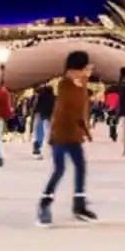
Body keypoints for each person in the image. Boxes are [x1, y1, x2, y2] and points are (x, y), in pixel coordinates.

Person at [37, 50, 96, 226]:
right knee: (60, 169)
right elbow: (74, 106)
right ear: (72, 70)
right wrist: (83, 80)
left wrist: (84, 79)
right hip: (61, 135)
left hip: (73, 135)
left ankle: (79, 204)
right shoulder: (65, 86)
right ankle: (44, 204)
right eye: (81, 69)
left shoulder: (78, 84)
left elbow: (81, 103)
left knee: (80, 167)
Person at [31, 83, 55, 159]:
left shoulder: (41, 96)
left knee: (39, 133)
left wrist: (33, 114)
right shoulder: (54, 97)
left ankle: (37, 148)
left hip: (40, 114)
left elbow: (35, 106)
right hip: (49, 115)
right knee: (49, 132)